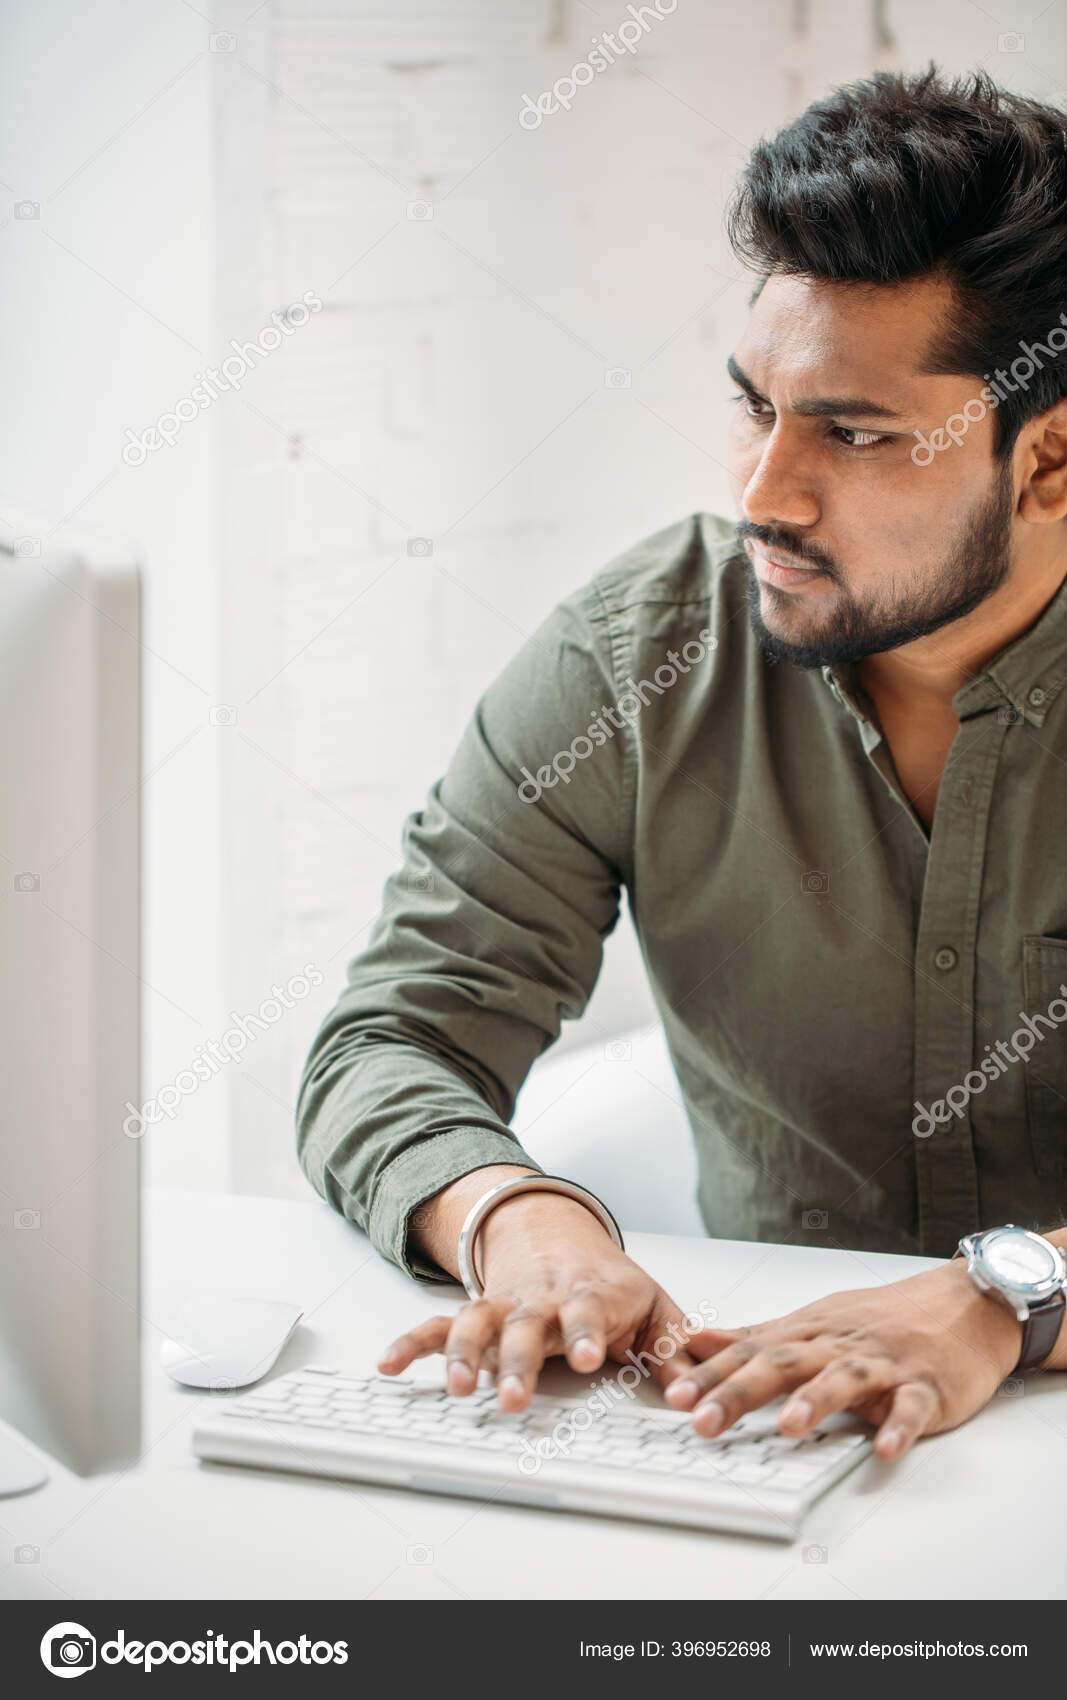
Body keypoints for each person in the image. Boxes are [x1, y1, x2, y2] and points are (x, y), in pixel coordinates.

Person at [297, 68, 1067, 1463]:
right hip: (765, 1436)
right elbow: (397, 1034)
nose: (764, 493)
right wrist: (517, 1223)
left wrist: (1007, 1300)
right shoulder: (641, 656)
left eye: (858, 432)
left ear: (1049, 463)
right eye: (755, 408)